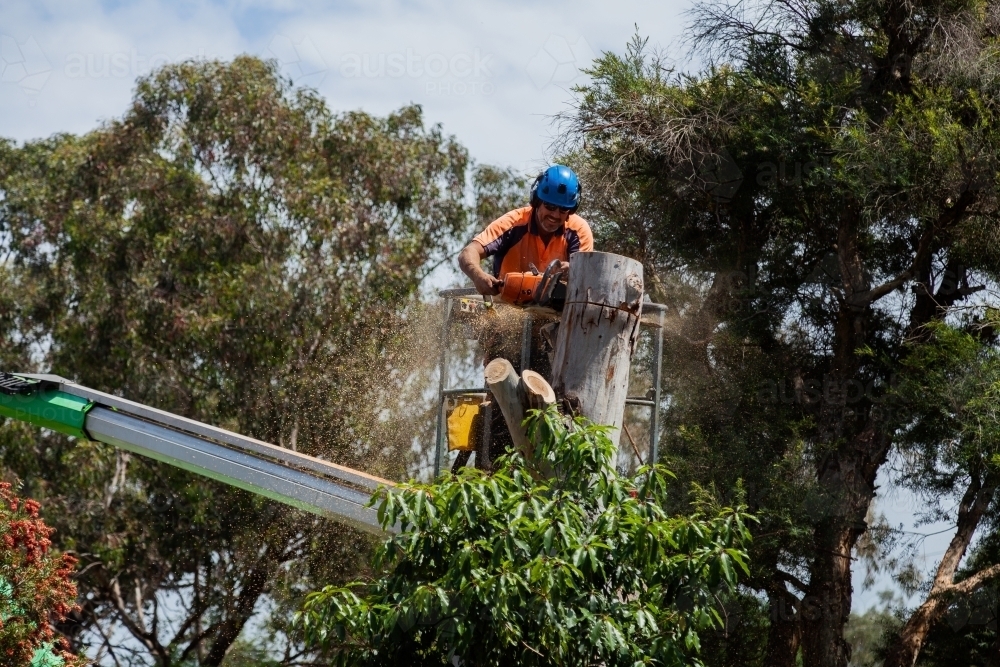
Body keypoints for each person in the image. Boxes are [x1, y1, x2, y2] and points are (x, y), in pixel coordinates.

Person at [458, 164, 594, 297]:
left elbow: (586, 277)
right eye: (550, 206)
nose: (555, 215)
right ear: (537, 201)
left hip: (557, 312)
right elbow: (468, 253)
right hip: (507, 306)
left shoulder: (579, 231)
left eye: (563, 209)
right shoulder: (513, 223)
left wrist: (573, 270)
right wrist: (478, 275)